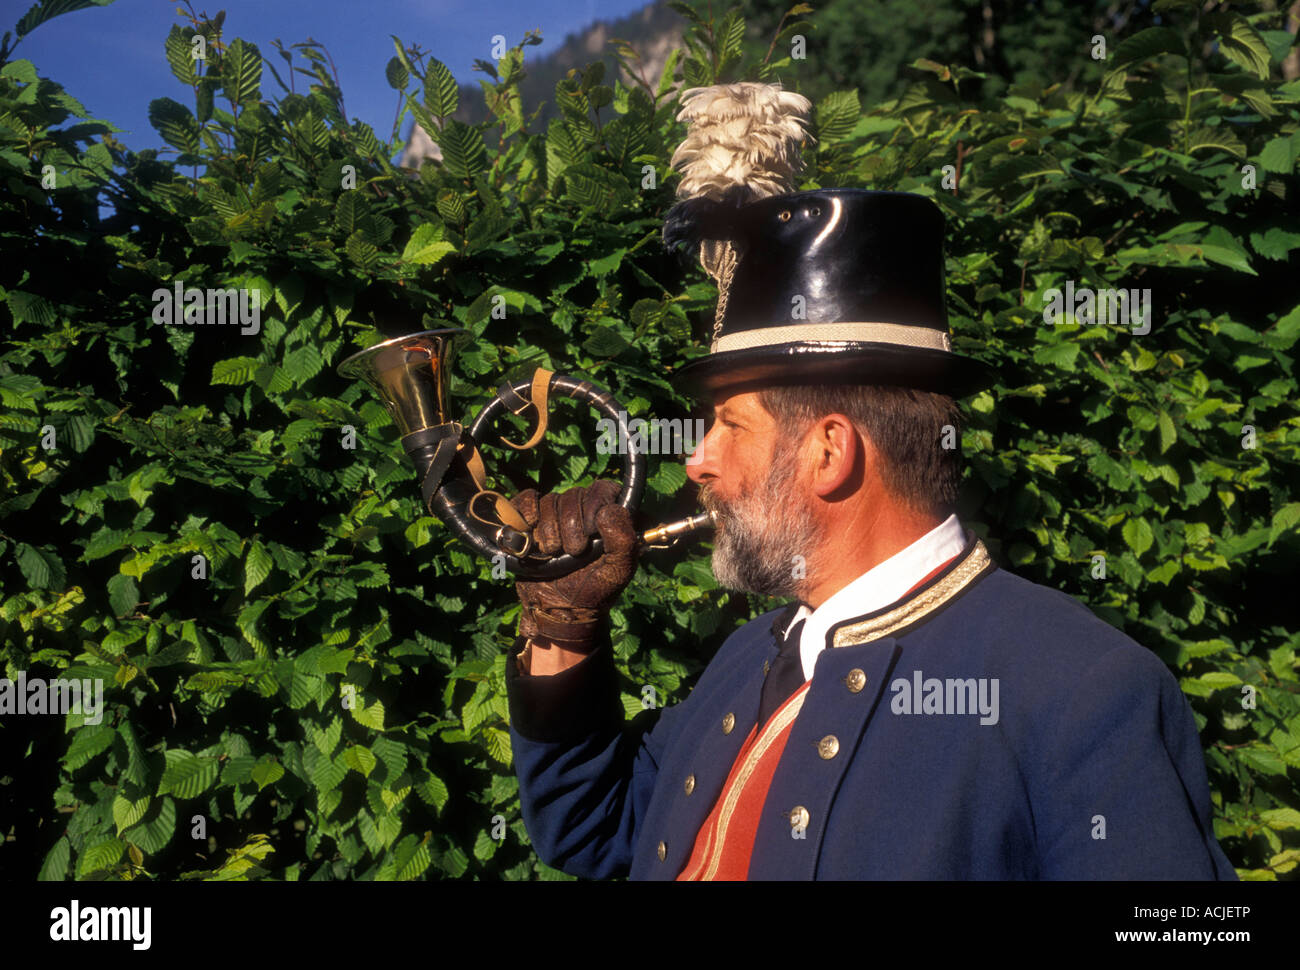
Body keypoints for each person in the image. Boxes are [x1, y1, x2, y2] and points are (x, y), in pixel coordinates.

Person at [500, 84, 1236, 880]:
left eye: (730, 425)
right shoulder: (751, 656)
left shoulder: (1081, 689)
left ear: (829, 453)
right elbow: (598, 834)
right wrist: (562, 632)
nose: (697, 459)